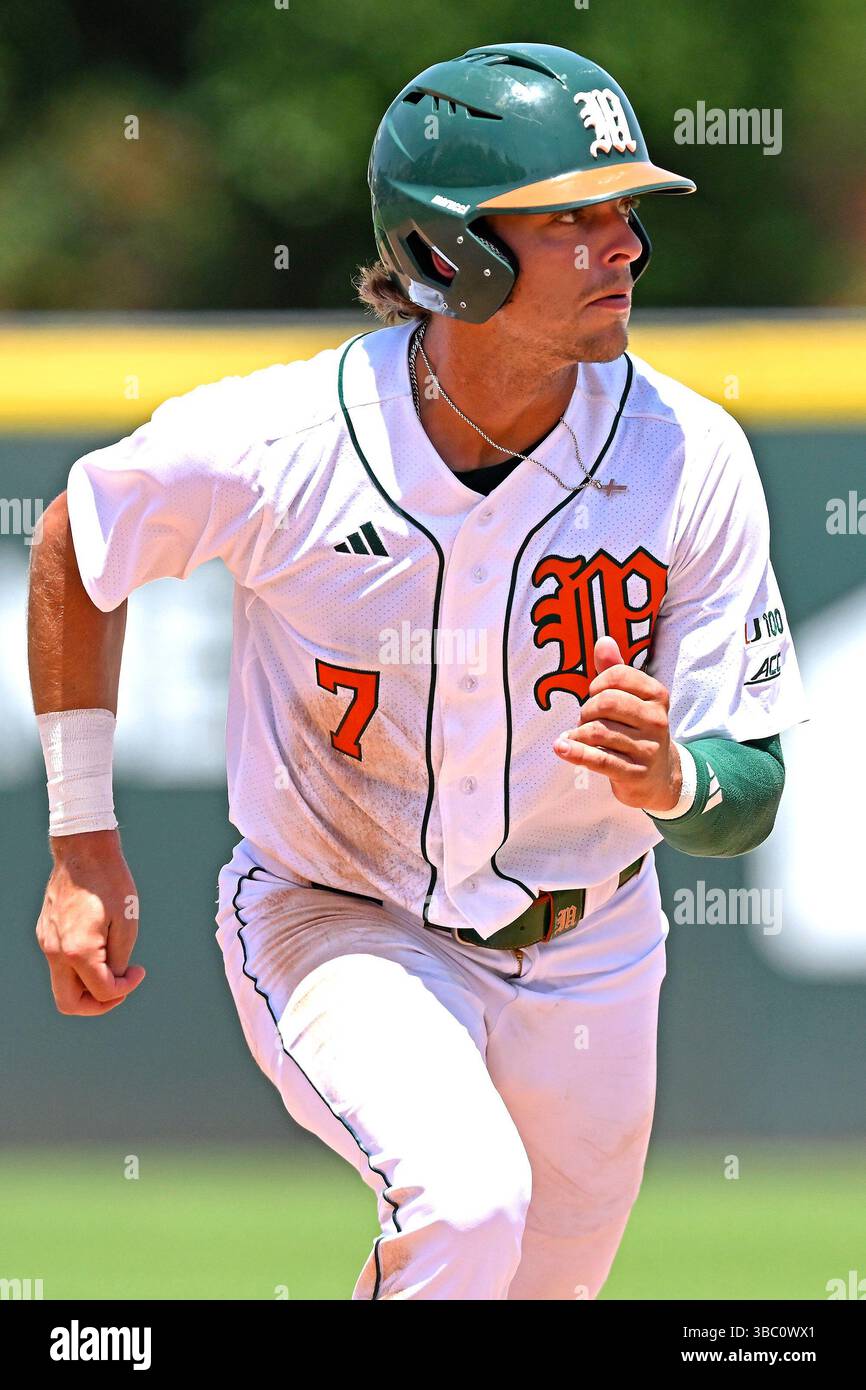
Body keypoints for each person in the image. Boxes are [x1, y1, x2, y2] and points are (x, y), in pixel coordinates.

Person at [28, 42, 810, 1300]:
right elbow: (77, 537)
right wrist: (82, 844)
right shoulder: (282, 442)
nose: (626, 247)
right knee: (466, 1206)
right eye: (574, 219)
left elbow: (753, 785)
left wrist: (673, 778)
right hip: (338, 914)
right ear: (455, 253)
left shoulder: (687, 456)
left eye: (625, 213)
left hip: (592, 944)